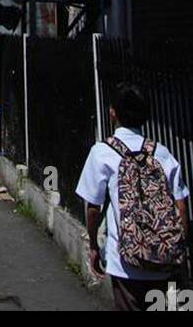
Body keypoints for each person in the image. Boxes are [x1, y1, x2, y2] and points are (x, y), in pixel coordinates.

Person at [76, 82, 190, 311]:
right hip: (163, 260)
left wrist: (94, 245)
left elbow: (93, 208)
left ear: (112, 113)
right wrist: (180, 250)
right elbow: (181, 206)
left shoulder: (102, 152)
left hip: (125, 261)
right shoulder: (162, 152)